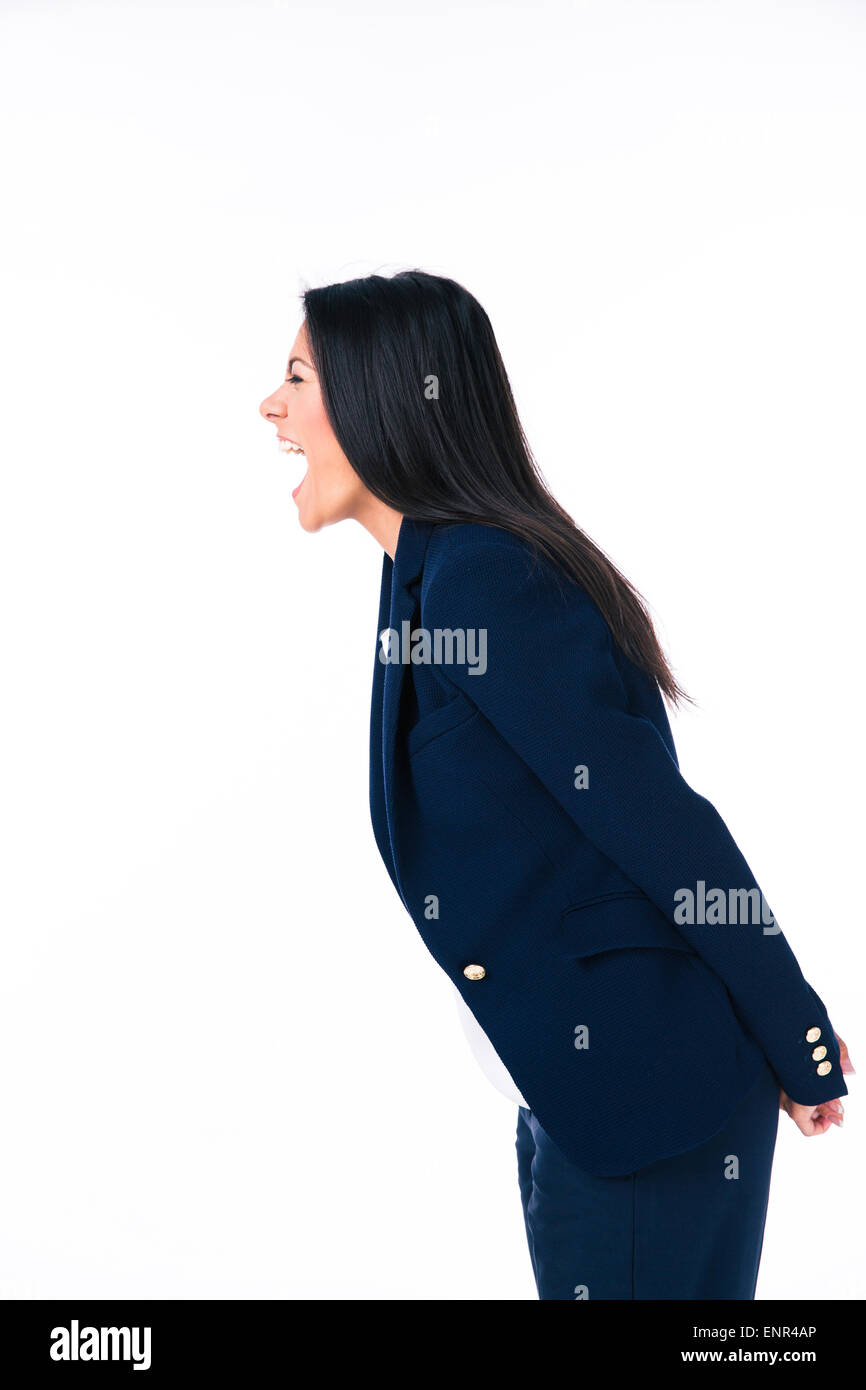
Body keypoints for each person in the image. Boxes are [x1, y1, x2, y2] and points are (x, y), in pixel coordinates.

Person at [259, 268, 853, 1300]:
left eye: (298, 376)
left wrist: (794, 1031)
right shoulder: (420, 577)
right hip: (575, 1099)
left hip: (648, 1100)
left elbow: (657, 823)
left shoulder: (483, 578)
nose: (271, 405)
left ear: (383, 395)